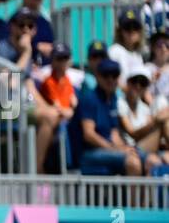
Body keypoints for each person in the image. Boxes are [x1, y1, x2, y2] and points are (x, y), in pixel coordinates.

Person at [75, 58, 153, 175]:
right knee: (133, 162)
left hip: (107, 150)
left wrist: (125, 148)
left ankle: (148, 194)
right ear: (97, 76)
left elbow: (114, 133)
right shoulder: (89, 99)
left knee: (152, 160)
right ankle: (135, 194)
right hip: (89, 153)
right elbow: (89, 135)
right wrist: (114, 149)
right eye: (106, 75)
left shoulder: (113, 99)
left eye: (115, 75)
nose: (110, 79)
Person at [36, 43, 77, 172]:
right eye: (59, 59)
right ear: (52, 61)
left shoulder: (67, 80)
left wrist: (70, 111)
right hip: (53, 127)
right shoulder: (49, 81)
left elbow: (72, 104)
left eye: (65, 58)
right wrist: (70, 111)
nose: (62, 63)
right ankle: (40, 168)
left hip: (63, 126)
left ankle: (71, 168)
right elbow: (60, 109)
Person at [110, 8, 147, 82]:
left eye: (135, 27)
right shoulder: (115, 51)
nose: (132, 31)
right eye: (127, 27)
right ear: (120, 31)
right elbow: (111, 78)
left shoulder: (138, 54)